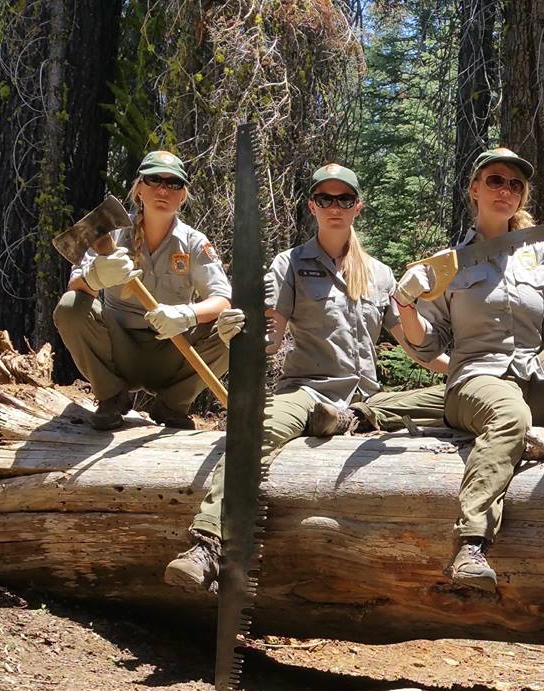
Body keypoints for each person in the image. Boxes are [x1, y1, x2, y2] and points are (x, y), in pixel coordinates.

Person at [165, 163, 448, 589]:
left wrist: (462, 368)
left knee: (455, 398)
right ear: (312, 205)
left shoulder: (381, 275)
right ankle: (207, 542)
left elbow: (416, 346)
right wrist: (237, 337)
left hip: (367, 403)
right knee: (256, 429)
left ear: (358, 207)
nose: (335, 207)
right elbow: (270, 340)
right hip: (308, 393)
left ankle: (353, 421)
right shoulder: (290, 264)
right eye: (325, 199)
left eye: (344, 199)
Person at [395, 147, 544, 590]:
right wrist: (405, 303)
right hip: (475, 381)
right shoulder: (447, 266)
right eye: (496, 180)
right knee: (509, 415)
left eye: (515, 185)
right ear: (475, 189)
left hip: (534, 379)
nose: (506, 190)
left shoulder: (540, 255)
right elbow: (425, 344)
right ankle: (471, 544)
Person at [54, 149, 243, 430]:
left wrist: (186, 314)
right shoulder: (111, 234)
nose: (163, 190)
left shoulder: (193, 242)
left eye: (173, 184)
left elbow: (222, 300)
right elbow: (76, 288)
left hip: (173, 351)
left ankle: (172, 405)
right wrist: (95, 277)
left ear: (182, 195)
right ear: (139, 188)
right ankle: (111, 397)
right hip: (119, 352)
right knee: (70, 307)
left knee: (236, 328)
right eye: (154, 180)